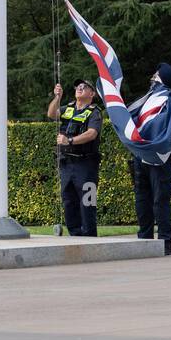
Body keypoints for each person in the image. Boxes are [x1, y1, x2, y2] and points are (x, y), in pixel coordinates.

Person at [130, 62, 171, 255]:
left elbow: (168, 128)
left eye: (155, 76)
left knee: (160, 200)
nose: (152, 78)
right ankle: (144, 240)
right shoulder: (148, 99)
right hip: (141, 155)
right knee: (142, 198)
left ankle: (164, 242)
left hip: (160, 157)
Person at [45, 78, 103, 237]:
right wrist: (57, 98)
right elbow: (51, 114)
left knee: (87, 203)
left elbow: (92, 134)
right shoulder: (68, 108)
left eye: (85, 87)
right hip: (67, 164)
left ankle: (90, 239)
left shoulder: (94, 112)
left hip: (86, 164)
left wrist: (69, 140)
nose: (80, 88)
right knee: (69, 202)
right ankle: (75, 237)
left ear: (92, 94)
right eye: (78, 86)